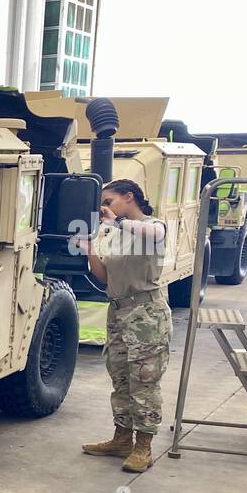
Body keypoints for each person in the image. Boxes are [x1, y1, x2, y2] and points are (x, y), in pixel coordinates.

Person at [82, 178, 172, 472]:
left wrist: (117, 221)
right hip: (118, 312)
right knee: (120, 377)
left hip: (146, 314)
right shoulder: (116, 232)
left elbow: (154, 233)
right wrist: (90, 246)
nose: (104, 207)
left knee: (144, 382)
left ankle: (143, 446)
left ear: (129, 197)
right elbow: (105, 277)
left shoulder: (152, 226)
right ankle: (122, 439)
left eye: (109, 201)